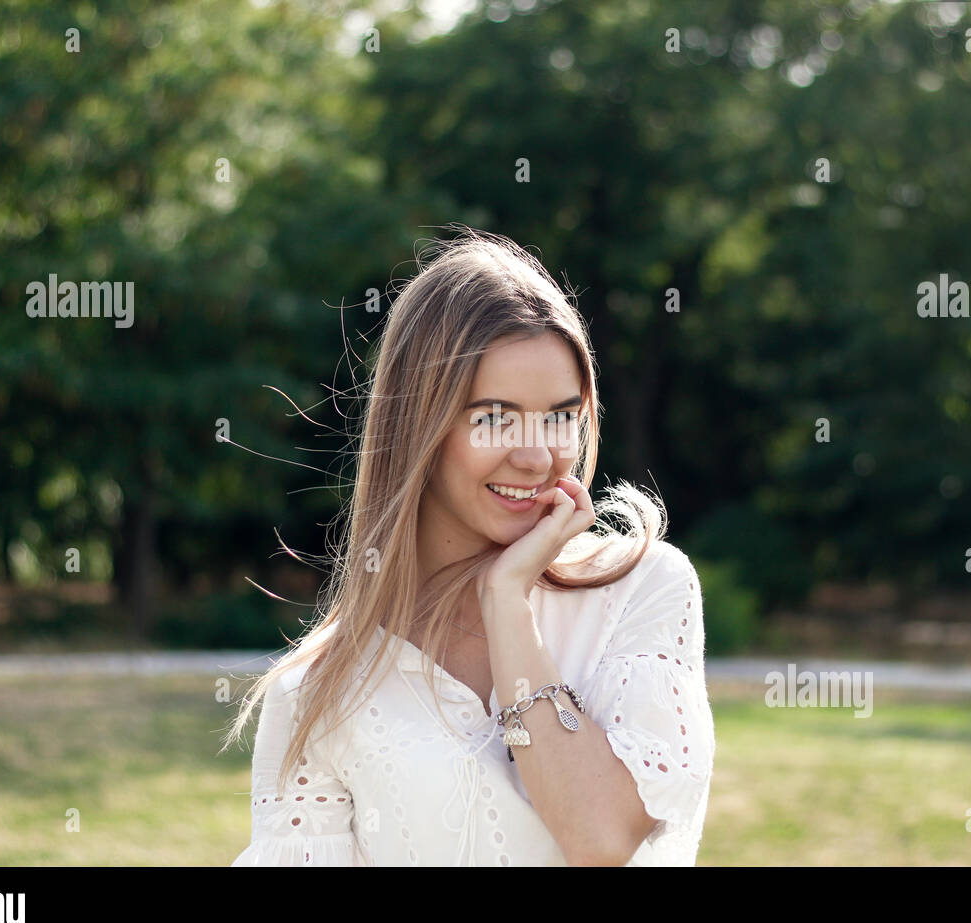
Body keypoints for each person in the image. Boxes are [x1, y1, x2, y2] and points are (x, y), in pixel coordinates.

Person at [223, 226, 714, 866]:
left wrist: (506, 601)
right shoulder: (323, 691)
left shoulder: (641, 592)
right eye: (495, 418)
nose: (537, 455)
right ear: (419, 426)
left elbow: (601, 839)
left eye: (562, 416)